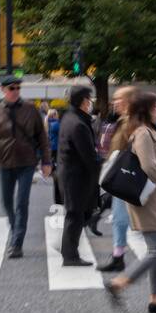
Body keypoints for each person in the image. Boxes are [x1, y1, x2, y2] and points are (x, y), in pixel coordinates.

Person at [102, 90, 156, 313]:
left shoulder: (144, 131)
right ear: (146, 110)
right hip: (148, 199)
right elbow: (149, 166)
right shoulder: (143, 133)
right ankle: (119, 283)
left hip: (152, 197)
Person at [0, 72, 52, 258]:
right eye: (11, 88)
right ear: (3, 90)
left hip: (27, 162)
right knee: (6, 202)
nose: (15, 91)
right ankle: (16, 230)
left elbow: (42, 138)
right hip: (4, 163)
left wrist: (46, 161)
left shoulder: (30, 109)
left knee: (22, 202)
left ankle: (16, 243)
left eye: (18, 87)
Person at [96, 86, 137, 271]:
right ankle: (118, 256)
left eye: (118, 99)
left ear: (128, 101)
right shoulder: (123, 121)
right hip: (120, 176)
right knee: (120, 219)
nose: (114, 103)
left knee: (123, 219)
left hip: (127, 176)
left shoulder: (132, 123)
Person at [57, 86, 98, 266]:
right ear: (84, 101)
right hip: (76, 177)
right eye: (90, 100)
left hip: (69, 174)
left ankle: (70, 253)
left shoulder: (69, 117)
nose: (91, 103)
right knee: (75, 216)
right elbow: (88, 156)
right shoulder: (79, 124)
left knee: (75, 215)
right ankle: (70, 255)